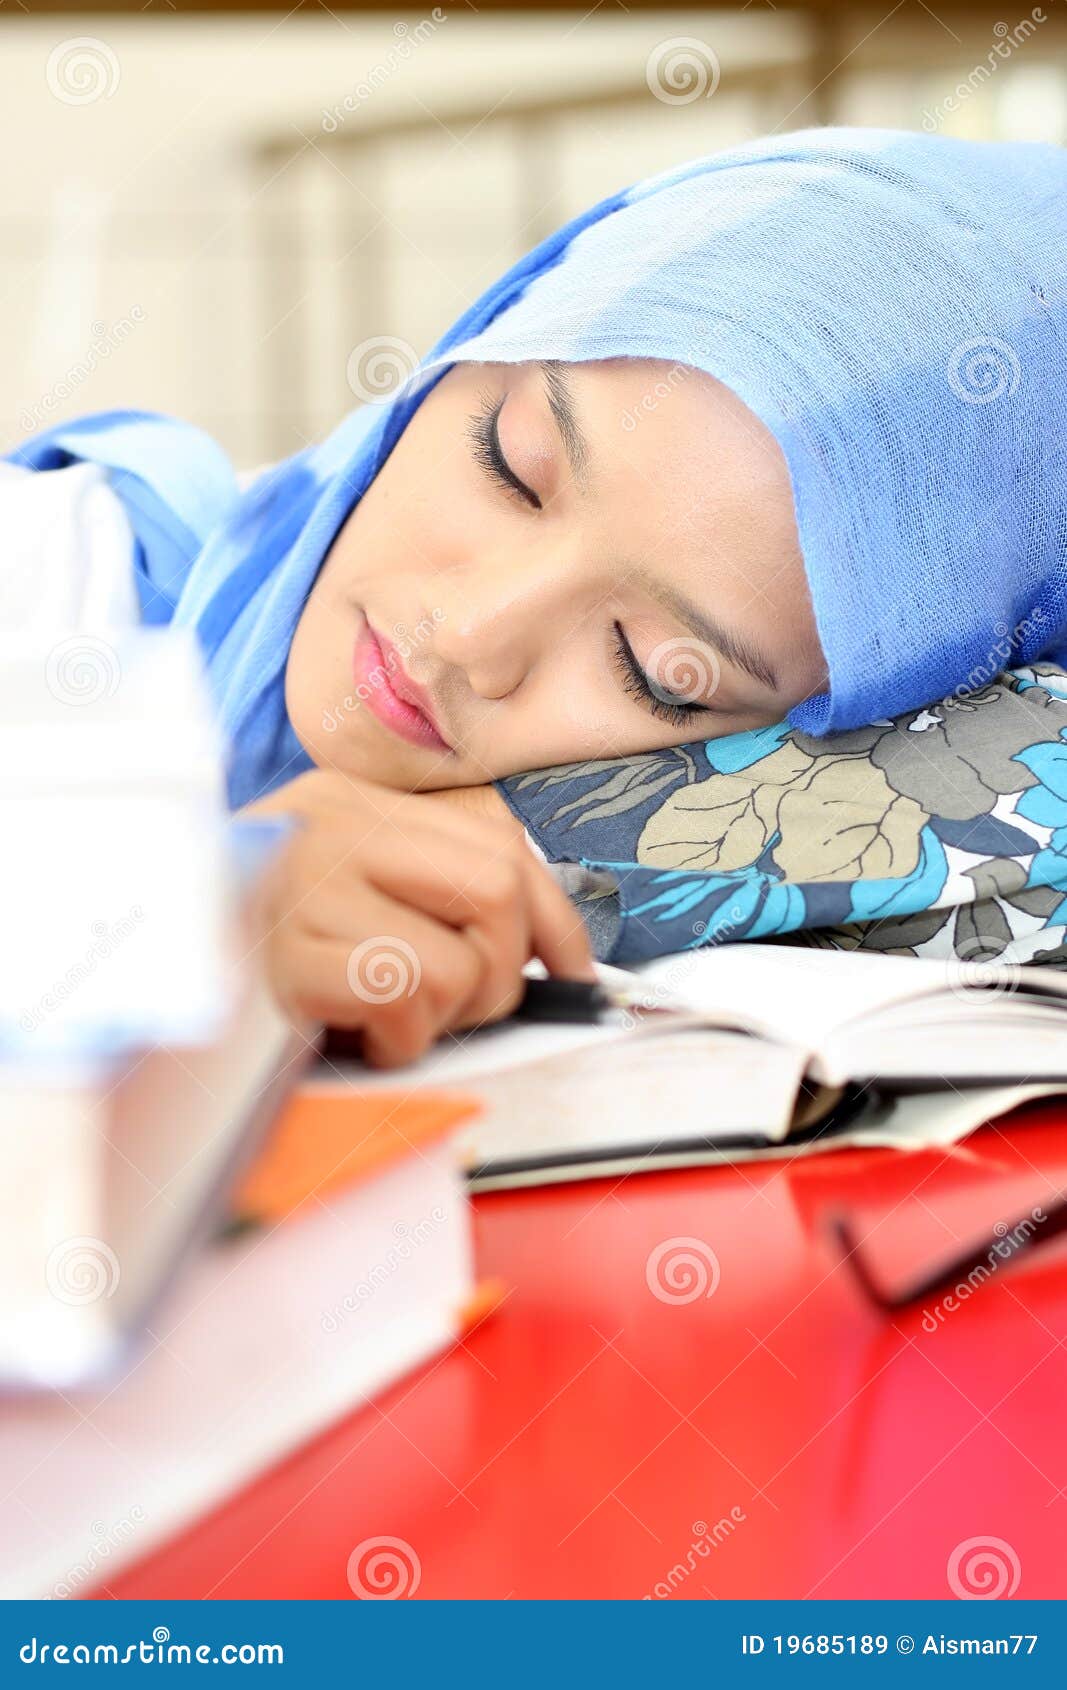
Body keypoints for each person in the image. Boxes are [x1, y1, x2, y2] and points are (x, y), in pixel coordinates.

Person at [9, 127, 1067, 1061]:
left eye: (649, 665)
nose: (468, 634)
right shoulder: (52, 571)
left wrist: (514, 832)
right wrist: (153, 910)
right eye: (507, 463)